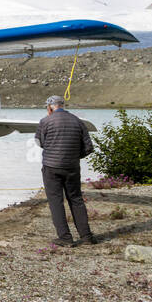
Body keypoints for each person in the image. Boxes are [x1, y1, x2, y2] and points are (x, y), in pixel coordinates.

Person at [35, 94, 97, 247]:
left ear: (50, 107)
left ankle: (65, 238)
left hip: (51, 167)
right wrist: (74, 156)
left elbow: (39, 142)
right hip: (72, 167)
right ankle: (87, 236)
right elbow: (89, 147)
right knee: (76, 200)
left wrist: (52, 150)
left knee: (56, 202)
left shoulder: (45, 121)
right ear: (62, 105)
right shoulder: (78, 122)